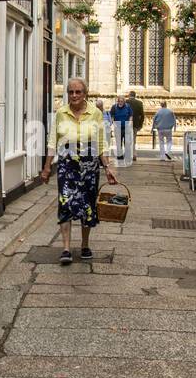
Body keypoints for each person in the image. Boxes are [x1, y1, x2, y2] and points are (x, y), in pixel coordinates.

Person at [41, 77, 119, 265]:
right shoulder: (61, 113)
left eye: (78, 92)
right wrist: (46, 167)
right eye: (71, 92)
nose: (74, 95)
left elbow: (101, 143)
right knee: (65, 205)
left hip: (89, 167)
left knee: (87, 206)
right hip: (67, 167)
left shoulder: (96, 114)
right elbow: (52, 142)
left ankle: (85, 244)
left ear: (85, 94)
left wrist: (108, 167)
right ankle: (66, 248)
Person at [109, 94, 133, 164]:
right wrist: (113, 123)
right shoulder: (114, 107)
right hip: (118, 127)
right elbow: (112, 116)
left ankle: (127, 156)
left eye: (122, 101)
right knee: (119, 142)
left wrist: (129, 122)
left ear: (124, 101)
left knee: (127, 143)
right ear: (118, 101)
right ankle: (120, 156)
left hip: (126, 127)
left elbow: (131, 115)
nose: (120, 103)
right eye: (119, 101)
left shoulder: (128, 107)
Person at [127, 89, 145, 162]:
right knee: (133, 140)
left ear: (129, 95)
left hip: (127, 124)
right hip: (135, 124)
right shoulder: (139, 103)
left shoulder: (126, 102)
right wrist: (140, 125)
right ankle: (134, 154)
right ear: (135, 96)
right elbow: (142, 115)